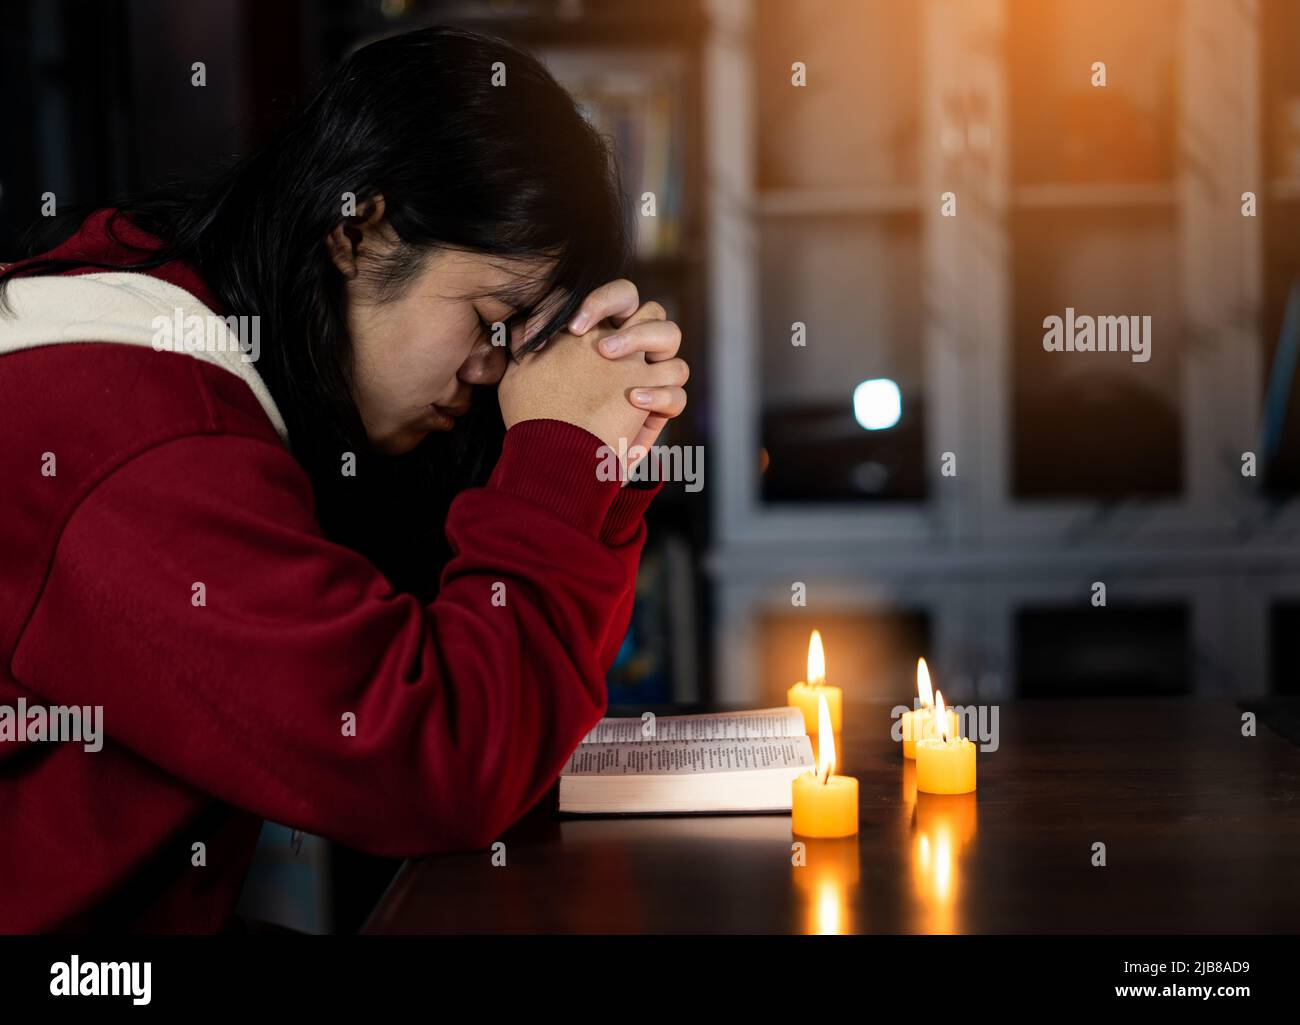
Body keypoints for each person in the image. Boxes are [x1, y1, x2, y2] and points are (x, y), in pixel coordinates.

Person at [0, 26, 689, 932]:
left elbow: (476, 704)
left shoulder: (169, 298)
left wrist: (602, 450)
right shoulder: (148, 436)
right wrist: (561, 455)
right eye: (490, 319)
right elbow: (431, 764)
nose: (496, 374)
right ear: (356, 231)